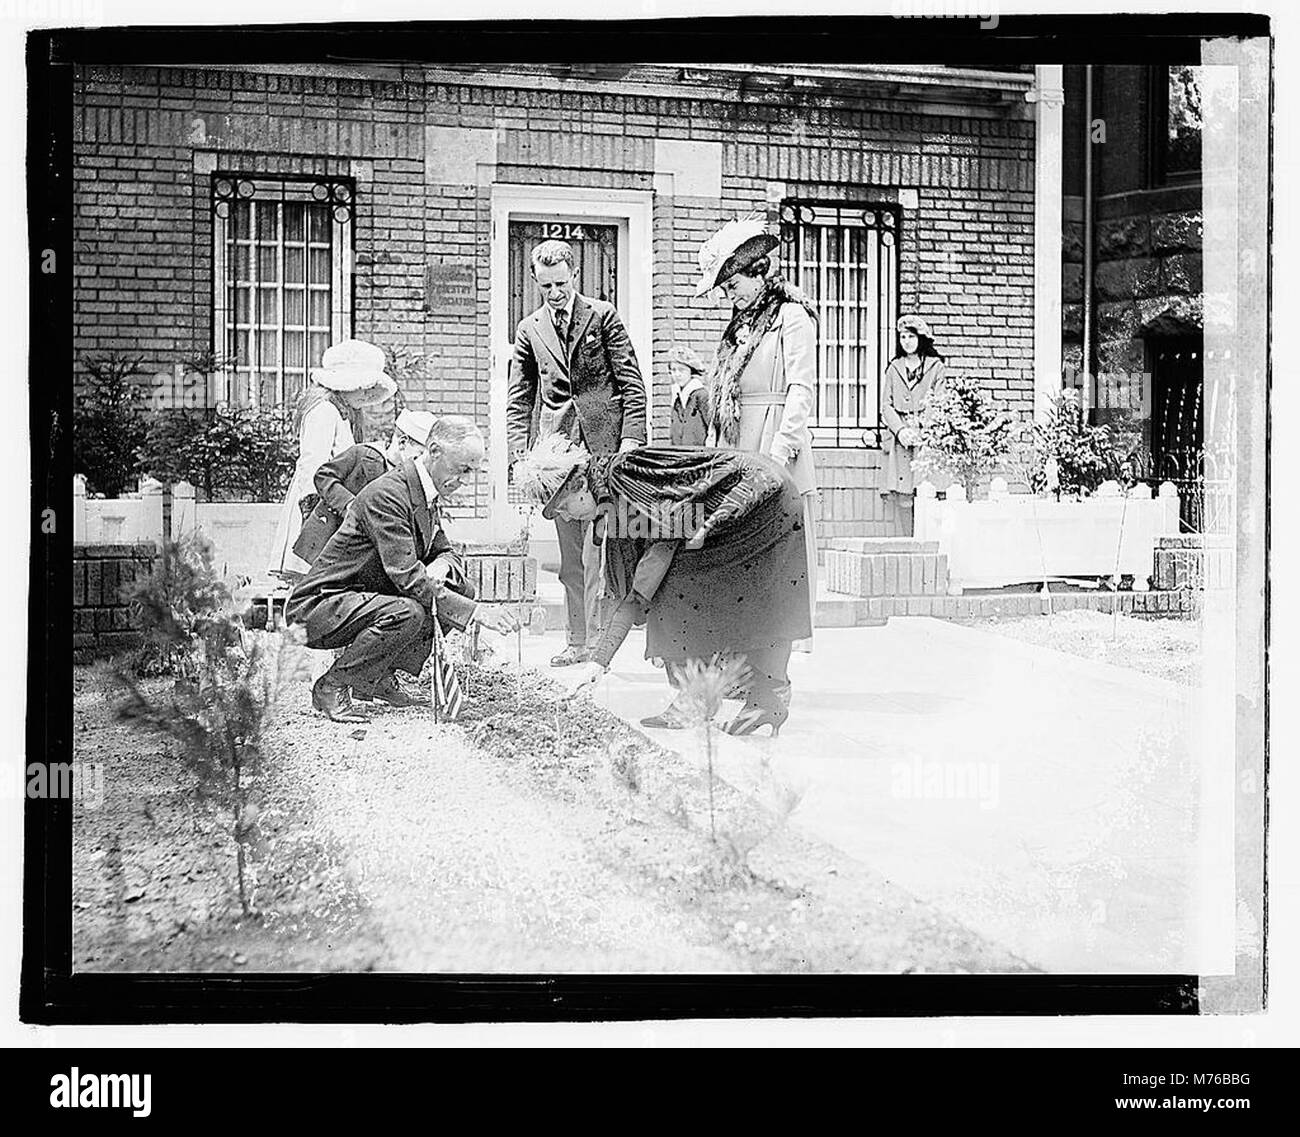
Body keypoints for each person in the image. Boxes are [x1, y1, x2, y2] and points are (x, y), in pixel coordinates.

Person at [513, 435, 812, 737]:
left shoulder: (625, 481)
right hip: (768, 488)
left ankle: (706, 700)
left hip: (757, 494)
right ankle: (762, 698)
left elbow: (654, 564)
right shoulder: (610, 495)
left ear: (579, 487)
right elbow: (635, 588)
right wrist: (597, 664)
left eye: (563, 507)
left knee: (677, 588)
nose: (565, 517)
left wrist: (598, 661)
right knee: (727, 592)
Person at [286, 417, 519, 723]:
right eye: (462, 469)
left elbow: (447, 552)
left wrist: (441, 564)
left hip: (359, 599)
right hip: (319, 606)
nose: (466, 480)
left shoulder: (423, 494)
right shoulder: (389, 494)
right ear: (434, 451)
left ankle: (380, 677)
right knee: (409, 611)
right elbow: (407, 577)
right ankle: (333, 685)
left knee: (461, 590)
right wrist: (476, 613)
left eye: (473, 471)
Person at [506, 238, 647, 668]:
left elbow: (631, 384)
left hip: (606, 454)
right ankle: (577, 641)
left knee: (609, 552)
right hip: (559, 459)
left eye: (561, 283)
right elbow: (519, 397)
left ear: (575, 276)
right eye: (546, 286)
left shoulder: (603, 317)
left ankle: (606, 644)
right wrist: (519, 458)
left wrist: (630, 442)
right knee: (572, 558)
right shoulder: (529, 329)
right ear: (535, 282)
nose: (555, 293)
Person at [696, 216, 819, 651]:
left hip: (772, 445)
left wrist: (778, 457)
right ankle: (742, 654)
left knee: (772, 561)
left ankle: (770, 664)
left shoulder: (790, 318)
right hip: (738, 446)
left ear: (760, 271)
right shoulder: (739, 326)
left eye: (734, 286)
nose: (731, 296)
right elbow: (725, 392)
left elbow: (801, 389)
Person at [269, 339, 397, 583]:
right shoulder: (324, 411)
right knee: (311, 574)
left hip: (335, 501)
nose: (368, 393)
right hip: (320, 504)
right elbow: (313, 466)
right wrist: (311, 513)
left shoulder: (344, 413)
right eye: (365, 385)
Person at [292, 409, 436, 567]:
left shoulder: (411, 479)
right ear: (402, 442)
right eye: (418, 455)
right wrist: (349, 504)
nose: (420, 463)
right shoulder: (362, 454)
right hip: (333, 537)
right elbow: (323, 476)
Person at [881, 315, 947, 536]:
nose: (907, 341)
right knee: (904, 492)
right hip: (902, 440)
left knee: (926, 488)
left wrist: (922, 429)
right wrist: (900, 430)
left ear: (921, 338)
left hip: (925, 437)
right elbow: (886, 405)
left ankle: (926, 540)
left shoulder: (935, 367)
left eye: (911, 336)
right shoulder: (894, 368)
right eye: (903, 336)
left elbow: (939, 401)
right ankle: (907, 540)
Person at [667, 344, 711, 446]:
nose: (677, 374)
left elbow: (712, 429)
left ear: (691, 371)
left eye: (681, 370)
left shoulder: (701, 395)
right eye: (673, 370)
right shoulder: (677, 398)